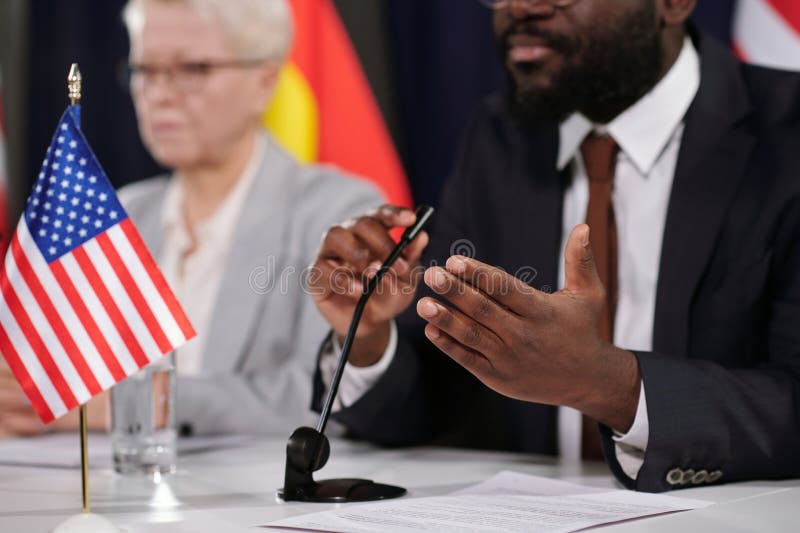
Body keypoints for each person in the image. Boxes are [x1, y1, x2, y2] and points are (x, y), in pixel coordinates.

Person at [309, 0, 800, 493]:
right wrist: (370, 338)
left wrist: (608, 384)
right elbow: (438, 397)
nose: (520, 8)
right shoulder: (500, 136)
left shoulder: (787, 138)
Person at [0, 0, 383, 438]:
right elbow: (54, 370)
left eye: (192, 69)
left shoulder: (337, 212)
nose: (159, 93)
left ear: (265, 80)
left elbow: (334, 397)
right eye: (144, 70)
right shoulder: (120, 213)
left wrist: (146, 400)